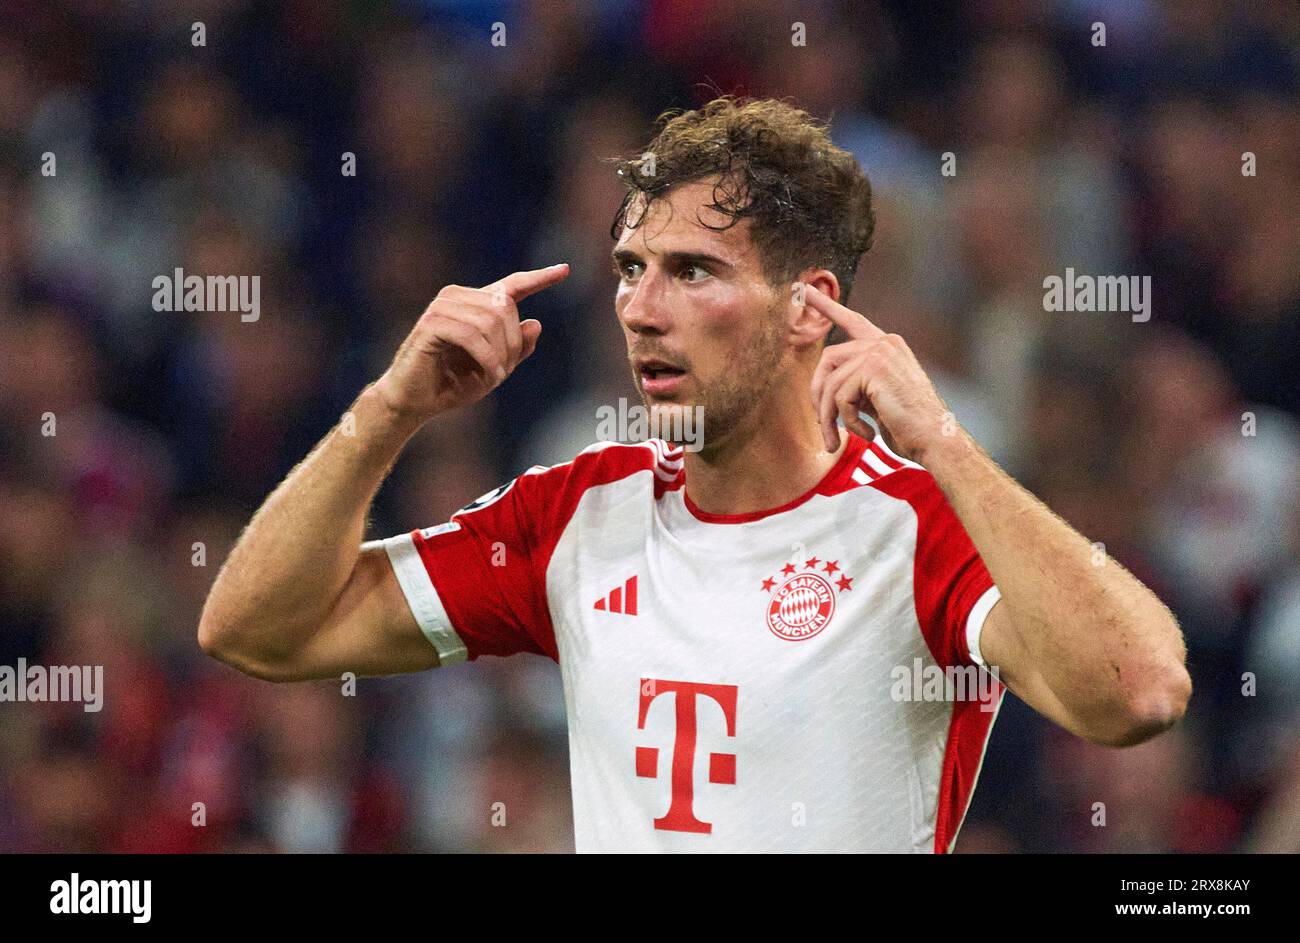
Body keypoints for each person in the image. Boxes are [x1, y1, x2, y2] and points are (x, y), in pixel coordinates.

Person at [199, 96, 1191, 852]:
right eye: (632, 268)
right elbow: (256, 628)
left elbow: (1137, 690)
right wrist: (388, 411)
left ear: (809, 308)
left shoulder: (912, 524)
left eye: (692, 271)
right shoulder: (575, 513)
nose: (639, 308)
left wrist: (948, 446)